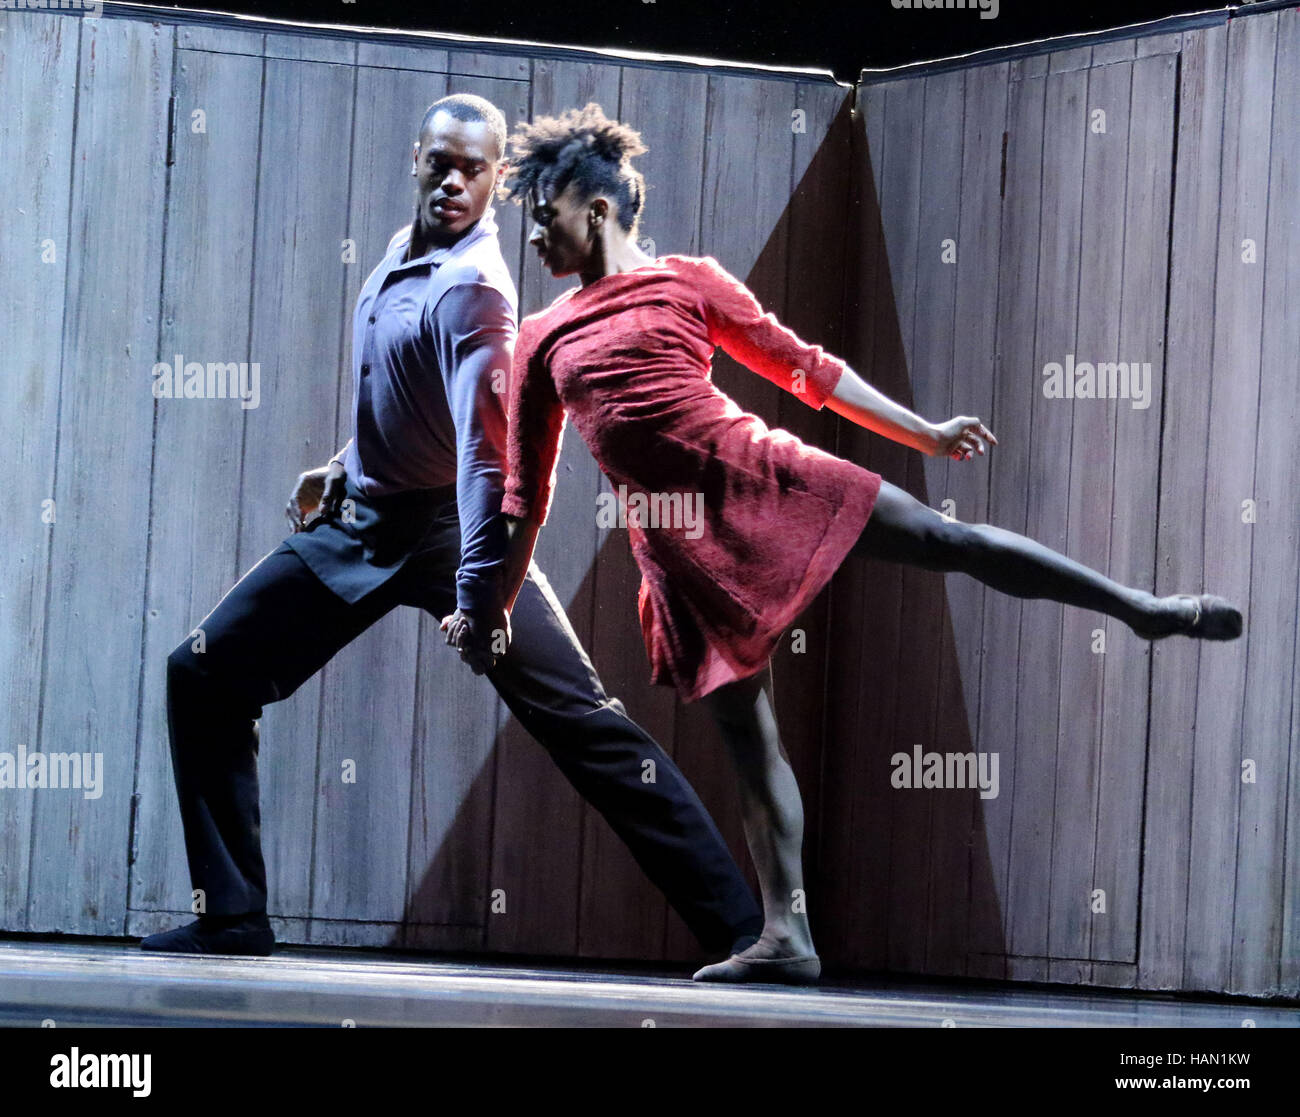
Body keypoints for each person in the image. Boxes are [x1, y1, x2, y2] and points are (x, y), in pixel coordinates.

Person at [441, 102, 1243, 985]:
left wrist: (925, 433)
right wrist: (489, 607)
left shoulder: (688, 282)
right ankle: (789, 935)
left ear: (593, 208)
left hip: (765, 478)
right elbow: (524, 496)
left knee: (949, 538)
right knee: (754, 748)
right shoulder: (545, 337)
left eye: (542, 214)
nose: (532, 239)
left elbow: (805, 369)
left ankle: (1141, 608)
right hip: (683, 556)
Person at [142, 94, 764, 962]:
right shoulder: (401, 254)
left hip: (451, 533)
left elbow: (485, 460)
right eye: (441, 162)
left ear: (498, 177)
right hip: (364, 521)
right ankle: (233, 914)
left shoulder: (476, 290)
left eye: (475, 169)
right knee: (202, 677)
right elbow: (407, 395)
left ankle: (747, 928)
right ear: (416, 158)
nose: (454, 182)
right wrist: (342, 462)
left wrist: (483, 597)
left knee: (584, 722)